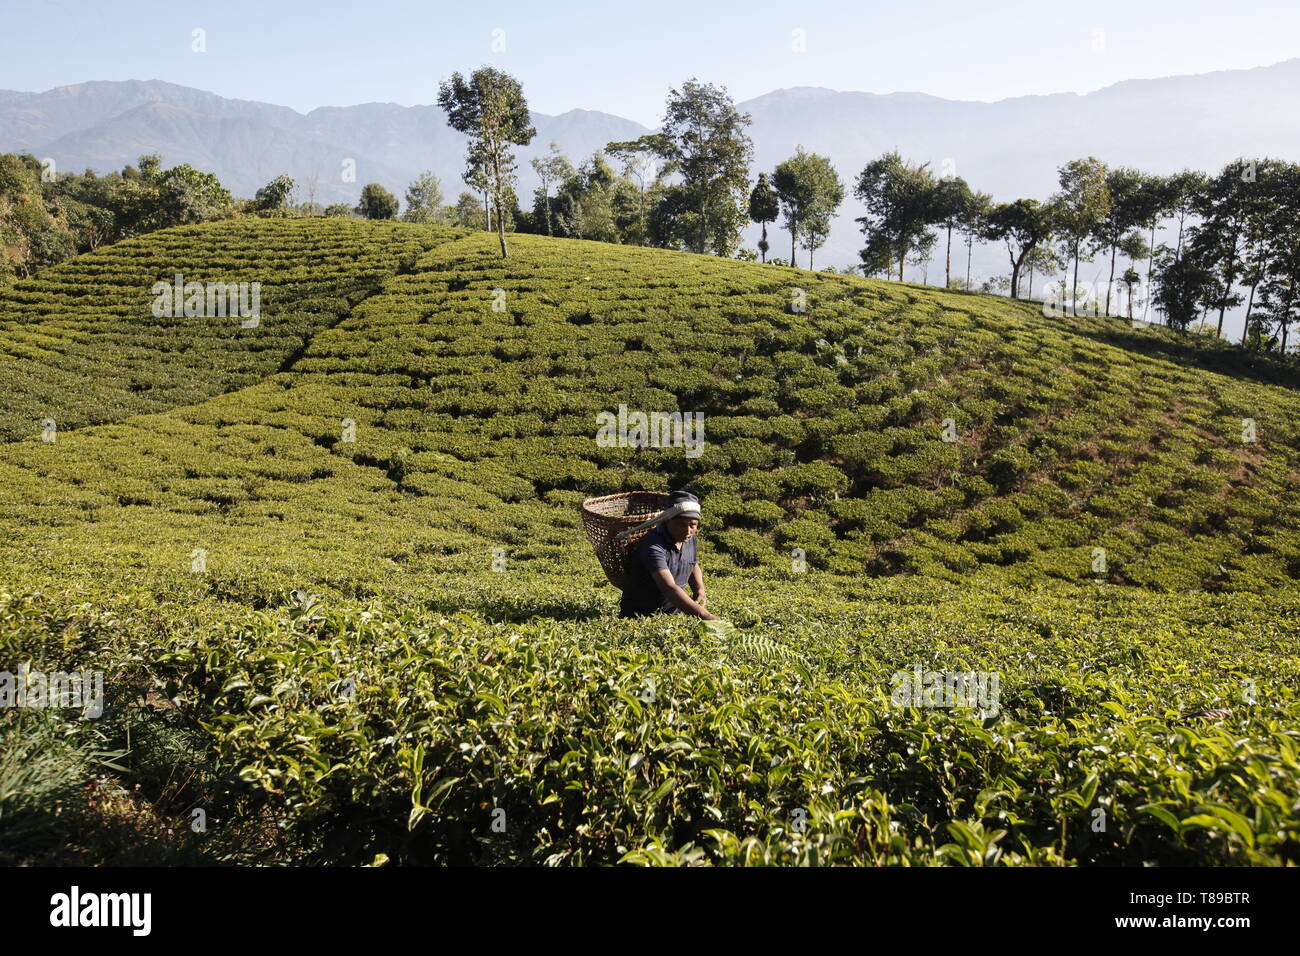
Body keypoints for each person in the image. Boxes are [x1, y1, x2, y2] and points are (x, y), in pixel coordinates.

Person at [618, 491, 719, 620]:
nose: (688, 531)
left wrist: (699, 589)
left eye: (693, 525)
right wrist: (706, 616)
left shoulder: (689, 538)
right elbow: (669, 588)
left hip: (674, 613)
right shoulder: (653, 545)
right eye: (681, 524)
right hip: (641, 616)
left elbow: (692, 563)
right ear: (667, 521)